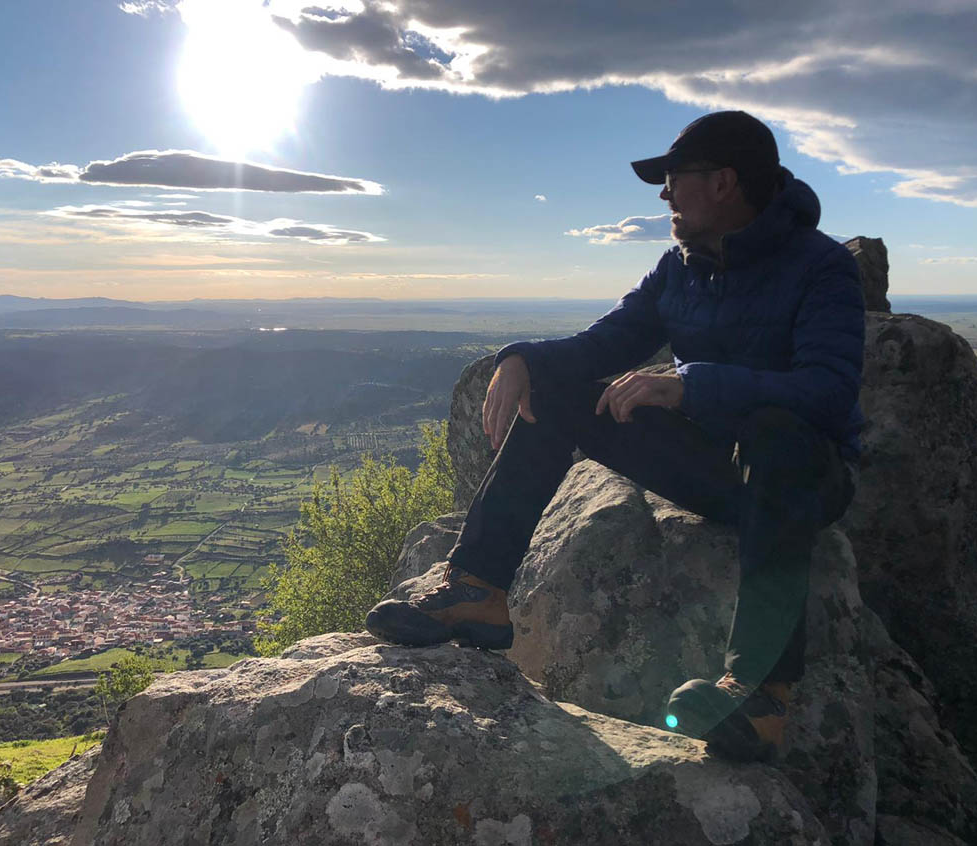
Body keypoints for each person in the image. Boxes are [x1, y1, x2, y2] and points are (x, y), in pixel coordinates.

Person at [365, 110, 864, 762]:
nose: (663, 195)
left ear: (722, 182)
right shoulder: (678, 268)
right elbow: (603, 345)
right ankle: (477, 589)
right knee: (555, 393)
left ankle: (761, 693)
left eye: (673, 179)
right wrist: (524, 358)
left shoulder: (820, 267)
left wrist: (692, 385)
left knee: (780, 433)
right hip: (713, 470)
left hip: (798, 480)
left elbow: (828, 394)